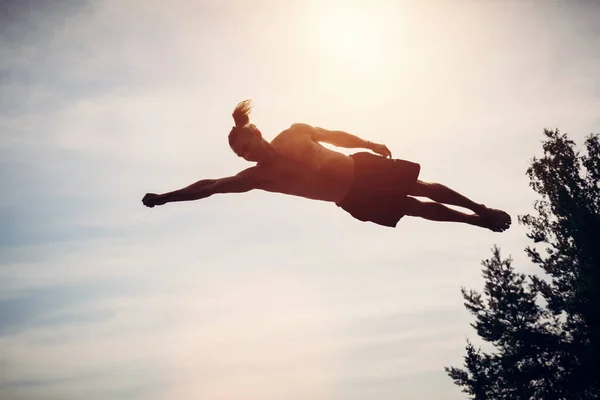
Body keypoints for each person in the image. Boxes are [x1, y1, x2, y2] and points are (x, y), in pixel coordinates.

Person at [142, 100, 511, 232]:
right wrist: (165, 197)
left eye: (245, 145)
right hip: (350, 196)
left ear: (255, 132)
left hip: (360, 168)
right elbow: (209, 186)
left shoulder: (296, 133)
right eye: (240, 155)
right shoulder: (259, 177)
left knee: (424, 188)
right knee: (416, 209)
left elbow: (334, 134)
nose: (245, 155)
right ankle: (475, 222)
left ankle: (481, 208)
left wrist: (368, 143)